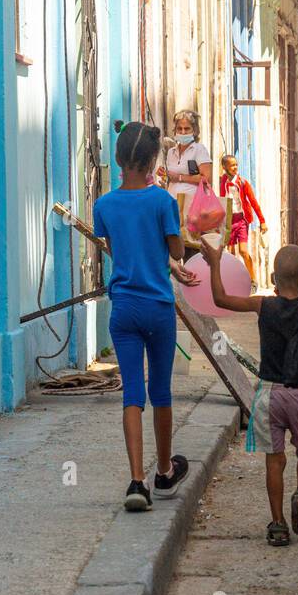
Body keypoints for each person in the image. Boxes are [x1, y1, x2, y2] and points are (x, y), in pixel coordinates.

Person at [91, 123, 199, 510]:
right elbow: (176, 250)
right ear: (154, 160)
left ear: (119, 159)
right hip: (157, 308)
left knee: (132, 395)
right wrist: (175, 260)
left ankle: (137, 482)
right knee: (162, 392)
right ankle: (166, 471)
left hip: (123, 309)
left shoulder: (103, 205)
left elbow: (121, 248)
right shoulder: (163, 202)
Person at [200, 239, 298, 548]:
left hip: (268, 394)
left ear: (274, 279)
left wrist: (215, 264)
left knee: (274, 460)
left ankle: (278, 523)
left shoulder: (263, 304)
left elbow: (221, 298)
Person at [219, 154, 267, 285]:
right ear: (224, 167)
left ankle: (252, 279)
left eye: (236, 165)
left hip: (241, 221)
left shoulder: (243, 183)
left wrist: (262, 221)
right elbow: (222, 200)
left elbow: (253, 202)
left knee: (243, 251)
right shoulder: (223, 181)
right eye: (232, 165)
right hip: (229, 220)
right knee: (230, 253)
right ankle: (233, 281)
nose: (235, 167)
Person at [159, 109, 212, 204]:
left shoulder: (199, 149)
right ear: (175, 130)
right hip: (173, 203)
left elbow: (207, 179)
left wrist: (180, 177)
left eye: (187, 129)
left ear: (194, 131)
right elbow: (171, 180)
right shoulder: (171, 152)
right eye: (179, 128)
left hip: (194, 207)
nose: (183, 132)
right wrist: (164, 174)